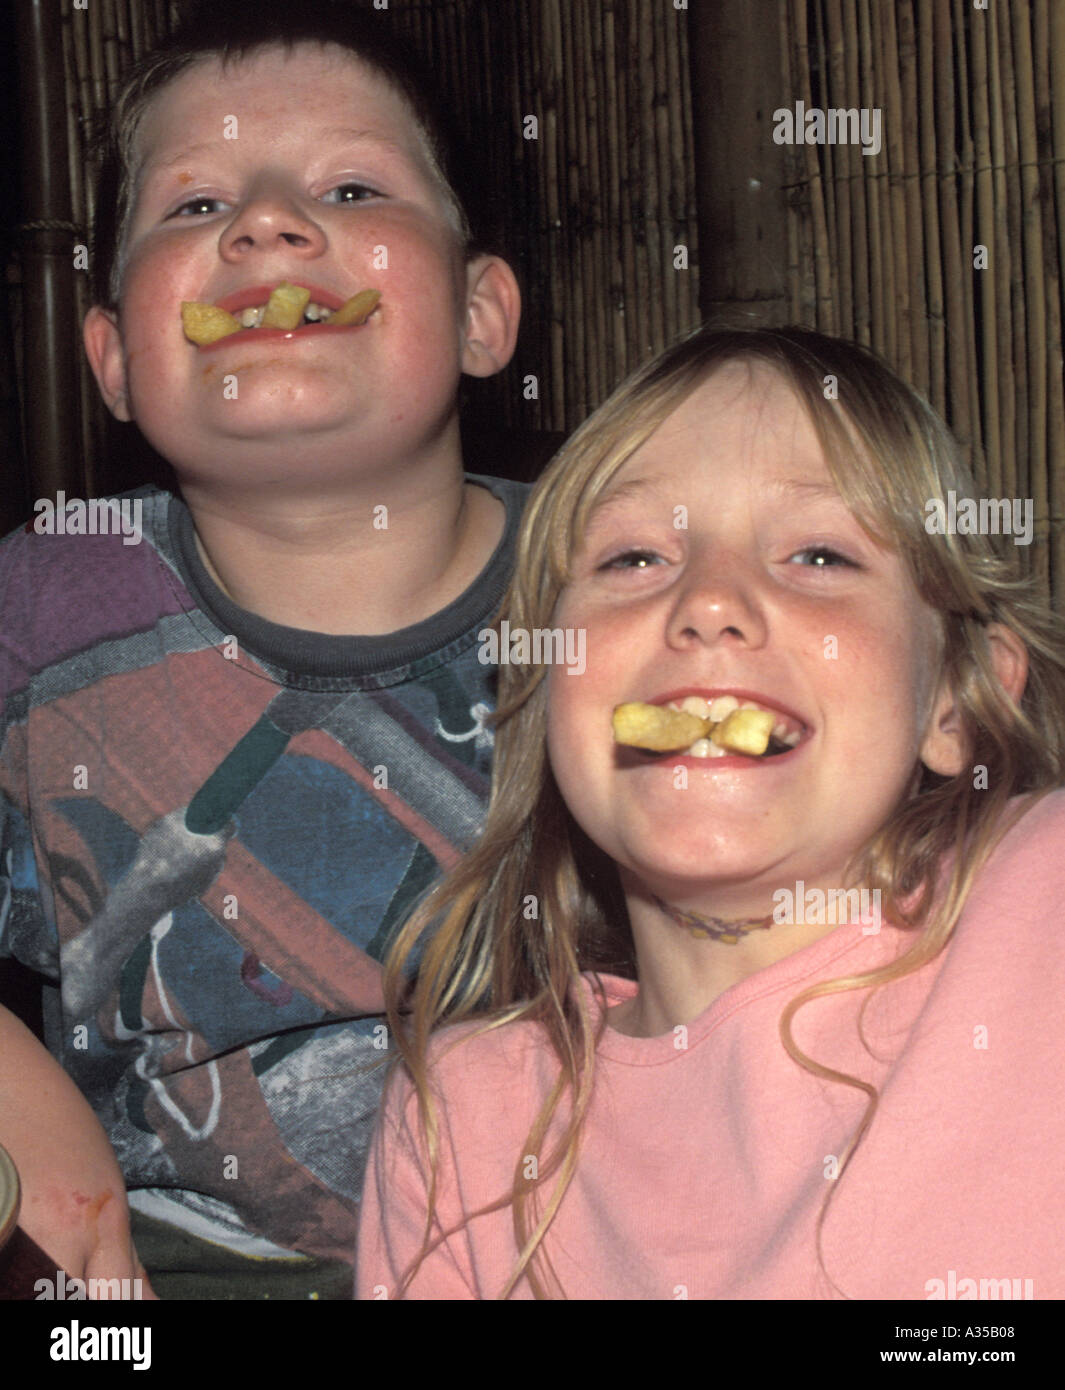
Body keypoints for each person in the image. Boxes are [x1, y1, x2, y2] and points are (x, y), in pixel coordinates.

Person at [356, 324, 1065, 1300]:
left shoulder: (1043, 901)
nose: (710, 602)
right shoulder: (462, 1119)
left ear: (956, 694)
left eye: (818, 554)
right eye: (635, 557)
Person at [0, 0, 521, 1300]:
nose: (268, 227)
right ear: (113, 358)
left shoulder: (638, 590)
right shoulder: (39, 611)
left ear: (479, 312)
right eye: (193, 207)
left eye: (350, 185)